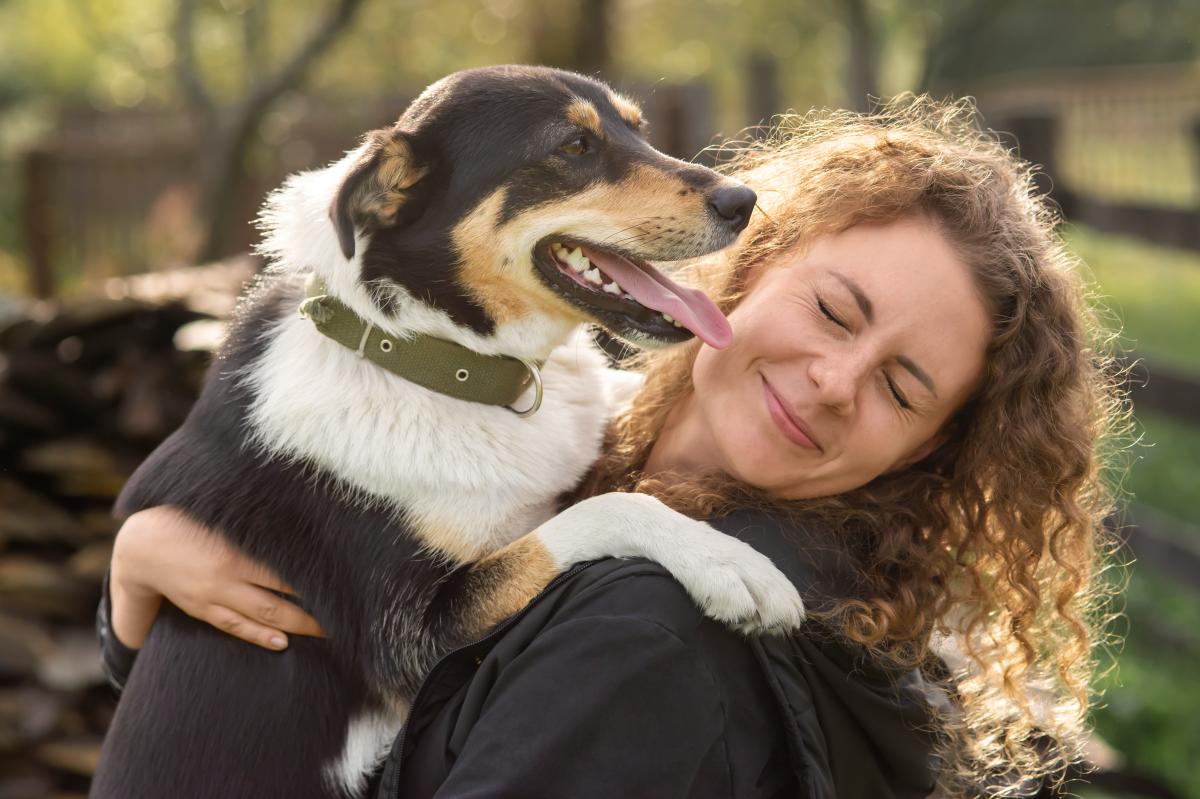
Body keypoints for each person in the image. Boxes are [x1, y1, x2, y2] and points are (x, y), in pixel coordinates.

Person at [98, 96, 1126, 798]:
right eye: (834, 311)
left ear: (924, 454)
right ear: (750, 260)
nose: (833, 382)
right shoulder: (586, 440)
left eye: (903, 390)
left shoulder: (652, 623)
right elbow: (335, 654)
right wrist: (143, 586)